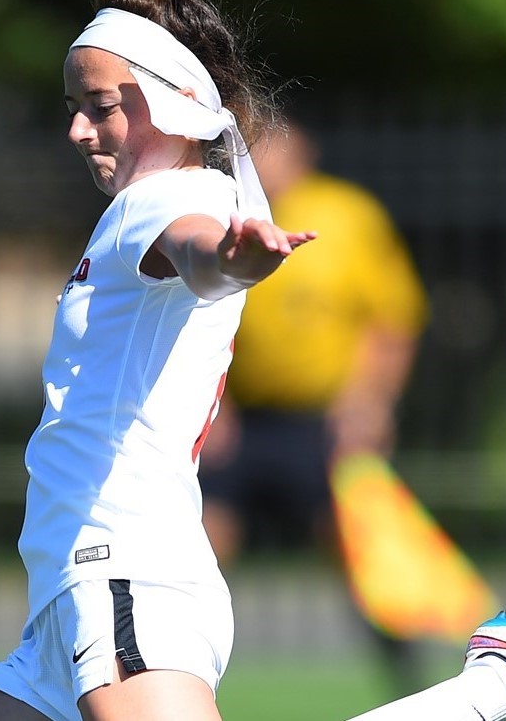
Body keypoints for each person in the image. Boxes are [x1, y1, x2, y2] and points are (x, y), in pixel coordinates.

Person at [0, 0, 506, 721]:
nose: (78, 130)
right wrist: (227, 255)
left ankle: (497, 685)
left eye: (102, 107)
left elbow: (193, 247)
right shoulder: (155, 204)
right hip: (71, 595)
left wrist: (229, 258)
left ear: (176, 101)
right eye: (74, 108)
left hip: (123, 575)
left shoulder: (164, 200)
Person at [198, 120, 430, 698]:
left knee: (357, 554)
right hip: (244, 420)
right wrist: (212, 406)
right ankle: (176, 674)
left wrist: (370, 403)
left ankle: (409, 678)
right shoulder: (227, 213)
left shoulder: (348, 215)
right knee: (200, 548)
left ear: (305, 147)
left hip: (325, 421)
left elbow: (392, 320)